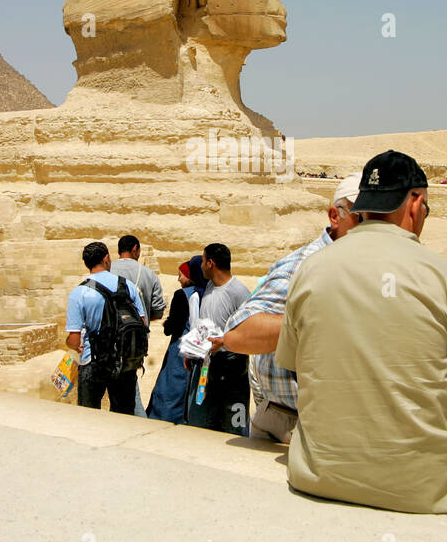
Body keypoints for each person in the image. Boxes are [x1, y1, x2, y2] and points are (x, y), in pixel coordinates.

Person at [276, 150, 447, 513]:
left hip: (318, 472)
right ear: (415, 204)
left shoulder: (310, 269)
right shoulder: (444, 276)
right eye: (426, 209)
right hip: (424, 486)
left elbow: (297, 368)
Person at [216, 174, 362, 442]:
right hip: (292, 426)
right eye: (361, 218)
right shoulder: (304, 265)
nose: (369, 229)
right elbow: (237, 334)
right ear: (334, 216)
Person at [65, 241, 147, 415]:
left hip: (93, 362)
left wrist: (72, 344)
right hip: (125, 361)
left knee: (89, 415)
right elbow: (142, 322)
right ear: (107, 258)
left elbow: (74, 340)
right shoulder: (127, 286)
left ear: (86, 263)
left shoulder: (79, 293)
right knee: (124, 415)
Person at [186, 243, 251, 435]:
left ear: (211, 263)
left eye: (203, 261)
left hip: (232, 368)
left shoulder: (239, 292)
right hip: (206, 366)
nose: (201, 266)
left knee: (233, 425)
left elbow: (249, 330)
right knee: (203, 423)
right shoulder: (209, 286)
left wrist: (224, 341)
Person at [110, 234, 166, 417]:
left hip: (108, 339)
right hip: (135, 342)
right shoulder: (148, 274)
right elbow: (158, 310)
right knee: (129, 389)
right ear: (135, 250)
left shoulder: (107, 271)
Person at [146, 258, 205, 424]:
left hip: (181, 349)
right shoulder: (206, 292)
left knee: (170, 388)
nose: (179, 279)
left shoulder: (182, 295)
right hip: (199, 348)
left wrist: (167, 324)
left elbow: (174, 325)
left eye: (181, 275)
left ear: (190, 275)